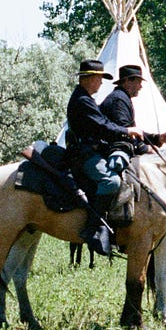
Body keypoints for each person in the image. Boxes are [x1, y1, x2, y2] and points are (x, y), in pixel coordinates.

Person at [65, 59, 146, 254]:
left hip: (90, 150)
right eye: (99, 78)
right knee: (110, 181)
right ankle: (93, 228)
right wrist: (127, 131)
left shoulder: (85, 98)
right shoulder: (82, 100)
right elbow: (102, 126)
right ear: (89, 79)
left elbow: (103, 124)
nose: (101, 83)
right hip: (83, 154)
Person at [99, 65, 166, 150]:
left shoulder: (122, 97)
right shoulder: (119, 100)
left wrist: (157, 138)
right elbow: (125, 132)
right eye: (139, 82)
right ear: (127, 81)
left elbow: (134, 132)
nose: (141, 87)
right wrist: (144, 148)